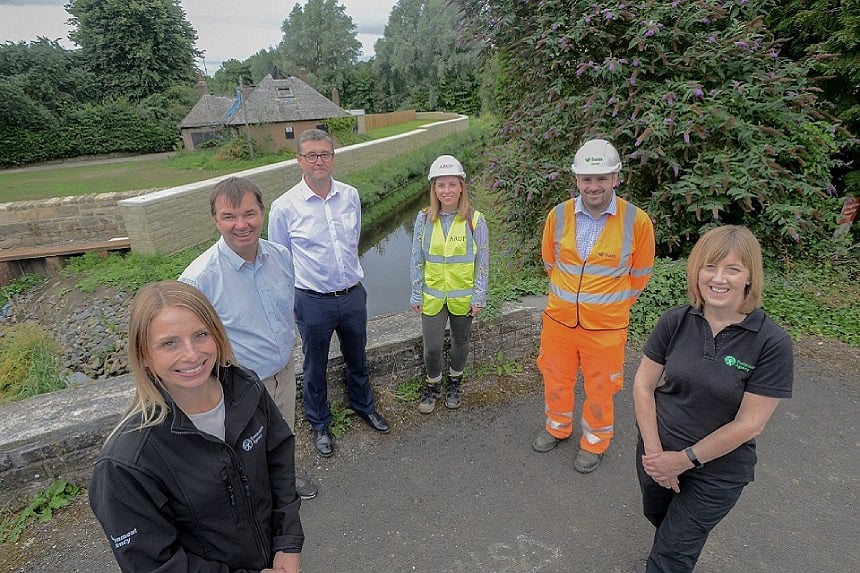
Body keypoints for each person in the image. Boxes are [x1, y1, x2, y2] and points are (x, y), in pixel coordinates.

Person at [89, 281, 303, 573]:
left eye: (201, 335)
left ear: (217, 335)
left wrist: (287, 543)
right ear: (144, 356)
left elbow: (279, 463)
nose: (191, 355)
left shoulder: (245, 388)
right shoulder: (126, 464)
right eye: (169, 343)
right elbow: (155, 565)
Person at [630, 225, 793, 573]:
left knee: (671, 556)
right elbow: (643, 385)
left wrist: (683, 461)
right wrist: (657, 455)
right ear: (696, 272)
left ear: (749, 277)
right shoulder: (675, 321)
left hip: (717, 472)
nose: (719, 279)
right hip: (655, 453)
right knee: (660, 519)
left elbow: (751, 423)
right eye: (710, 267)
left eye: (732, 269)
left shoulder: (771, 343)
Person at [179, 176, 318, 500]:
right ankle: (251, 501)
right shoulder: (199, 279)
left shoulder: (281, 257)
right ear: (216, 220)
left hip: (283, 371)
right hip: (239, 385)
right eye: (229, 216)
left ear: (262, 213)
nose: (241, 225)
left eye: (249, 214)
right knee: (245, 447)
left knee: (283, 433)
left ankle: (285, 484)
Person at [532, 138, 655, 473]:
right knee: (556, 378)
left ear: (616, 178)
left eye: (602, 178)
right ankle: (557, 427)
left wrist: (608, 307)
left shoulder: (637, 221)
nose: (594, 185)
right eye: (587, 178)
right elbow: (550, 263)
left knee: (600, 389)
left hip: (605, 329)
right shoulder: (557, 216)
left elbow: (640, 274)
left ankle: (594, 442)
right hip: (559, 323)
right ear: (577, 181)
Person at [268, 128, 390, 459]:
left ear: (333, 157)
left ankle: (363, 405)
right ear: (299, 161)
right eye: (311, 155)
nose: (319, 161)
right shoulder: (284, 207)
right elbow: (280, 262)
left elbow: (353, 242)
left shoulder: (350, 195)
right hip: (312, 301)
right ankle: (320, 423)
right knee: (314, 366)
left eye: (325, 154)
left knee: (357, 357)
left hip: (352, 295)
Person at [410, 155, 490, 413]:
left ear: (461, 186)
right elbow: (416, 259)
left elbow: (483, 263)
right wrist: (416, 294)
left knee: (460, 342)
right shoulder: (423, 219)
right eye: (441, 185)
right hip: (432, 296)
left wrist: (479, 297)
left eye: (452, 184)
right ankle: (433, 386)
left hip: (463, 297)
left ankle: (455, 383)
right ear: (434, 188)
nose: (446, 191)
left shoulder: (475, 220)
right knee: (432, 347)